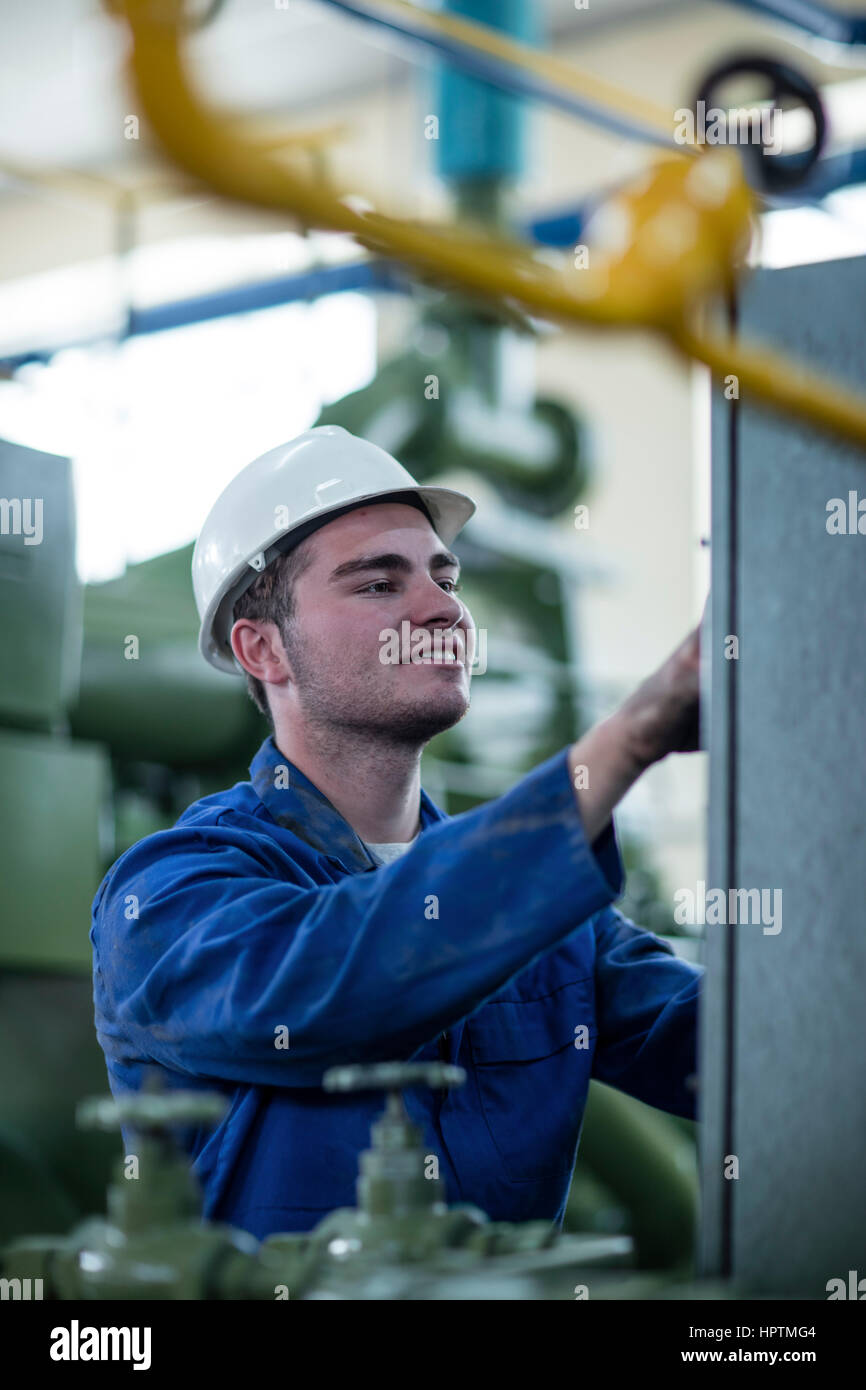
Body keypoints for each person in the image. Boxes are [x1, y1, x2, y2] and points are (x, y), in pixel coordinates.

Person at [91, 425, 703, 1240]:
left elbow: (734, 1050)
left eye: (444, 577)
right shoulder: (167, 899)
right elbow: (342, 977)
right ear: (263, 648)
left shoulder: (554, 918)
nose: (443, 608)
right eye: (379, 585)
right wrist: (627, 741)